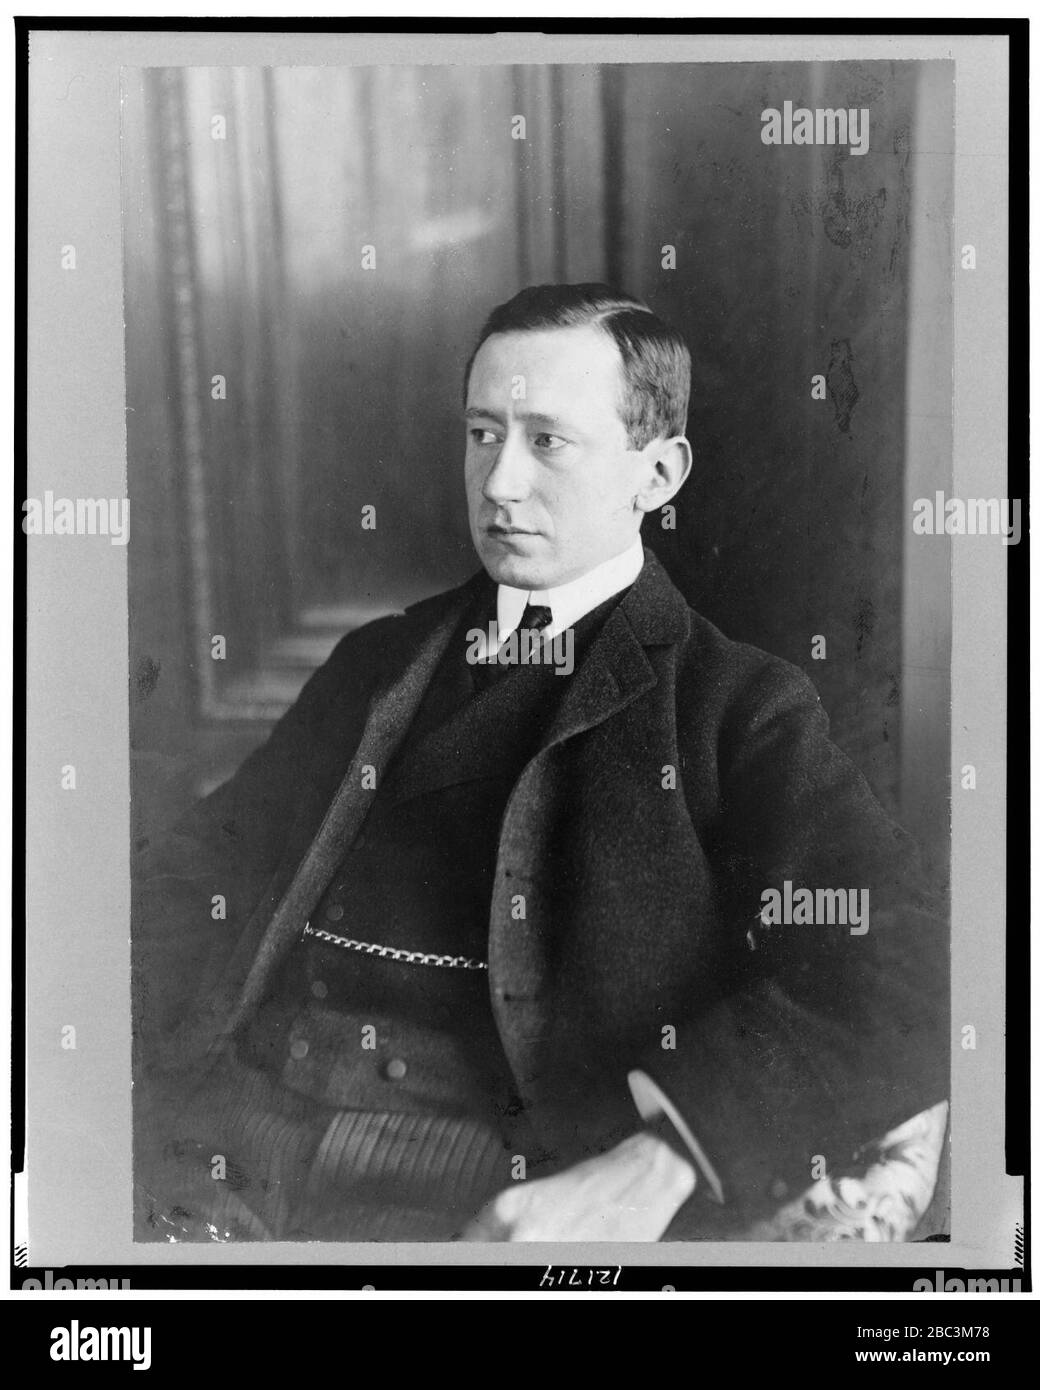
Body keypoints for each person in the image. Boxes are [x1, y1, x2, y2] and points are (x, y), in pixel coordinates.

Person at [132, 283, 948, 1244]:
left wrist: (662, 1162)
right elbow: (191, 878)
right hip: (224, 1130)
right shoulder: (380, 662)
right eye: (483, 434)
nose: (500, 482)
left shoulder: (736, 708)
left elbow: (911, 970)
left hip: (486, 1172)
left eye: (547, 442)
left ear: (658, 473)